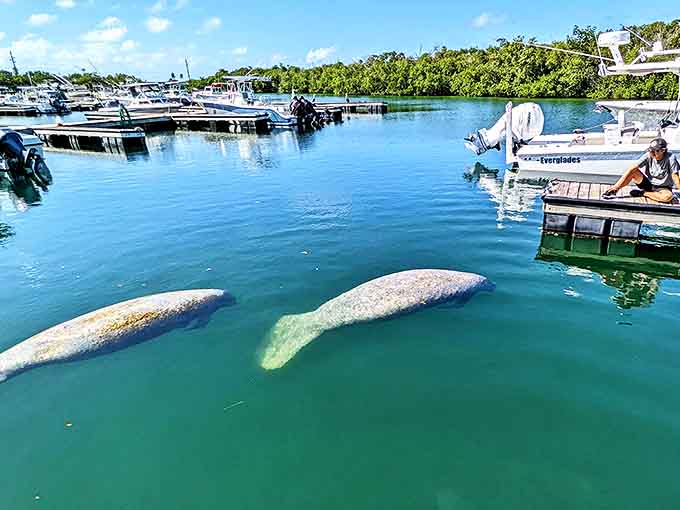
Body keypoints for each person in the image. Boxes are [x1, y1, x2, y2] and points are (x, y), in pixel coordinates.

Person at [602, 138, 680, 203]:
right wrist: (615, 187)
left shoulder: (671, 158)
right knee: (634, 171)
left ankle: (643, 193)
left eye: (654, 151)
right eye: (650, 150)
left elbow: (675, 177)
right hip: (648, 184)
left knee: (667, 197)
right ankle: (614, 191)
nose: (651, 153)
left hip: (663, 188)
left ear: (663, 150)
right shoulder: (649, 155)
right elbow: (632, 168)